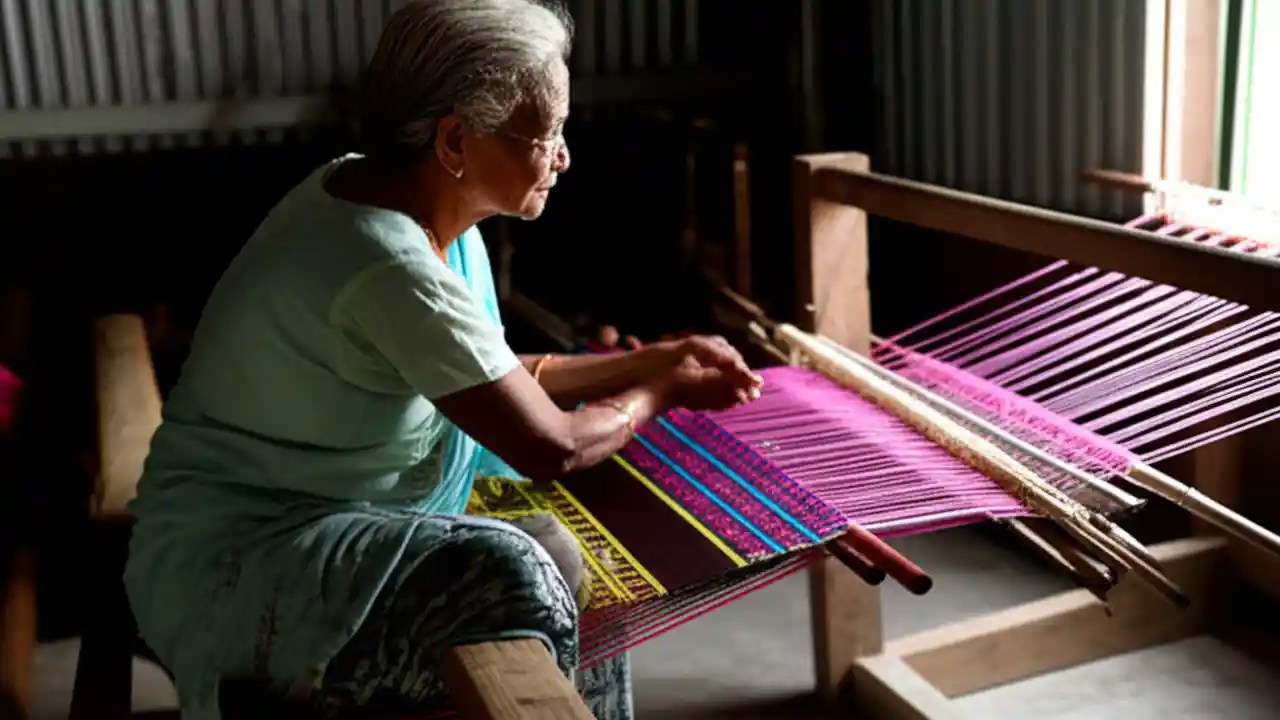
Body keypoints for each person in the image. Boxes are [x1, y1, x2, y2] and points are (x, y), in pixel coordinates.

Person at [122, 1, 763, 718]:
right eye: (547, 133)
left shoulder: (402, 202)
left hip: (312, 528)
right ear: (456, 140)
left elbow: (485, 377)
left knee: (557, 551)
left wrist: (651, 361)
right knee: (514, 567)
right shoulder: (388, 262)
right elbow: (547, 444)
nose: (563, 156)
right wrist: (661, 392)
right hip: (242, 561)